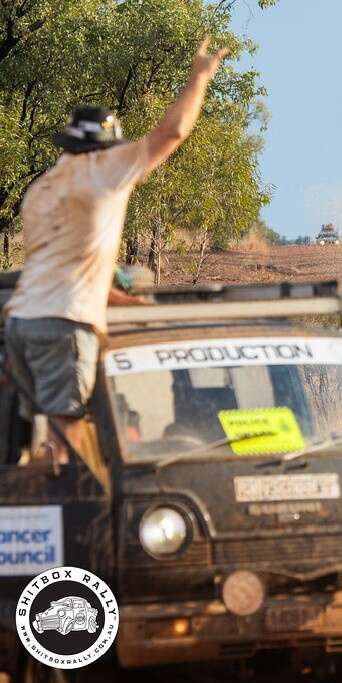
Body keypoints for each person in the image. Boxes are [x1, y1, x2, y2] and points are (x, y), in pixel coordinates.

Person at [2, 37, 228, 465]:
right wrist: (200, 76)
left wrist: (126, 301)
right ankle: (71, 525)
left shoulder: (42, 189)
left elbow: (66, 272)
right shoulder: (106, 171)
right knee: (65, 441)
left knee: (50, 432)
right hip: (61, 325)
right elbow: (172, 132)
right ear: (109, 144)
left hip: (22, 323)